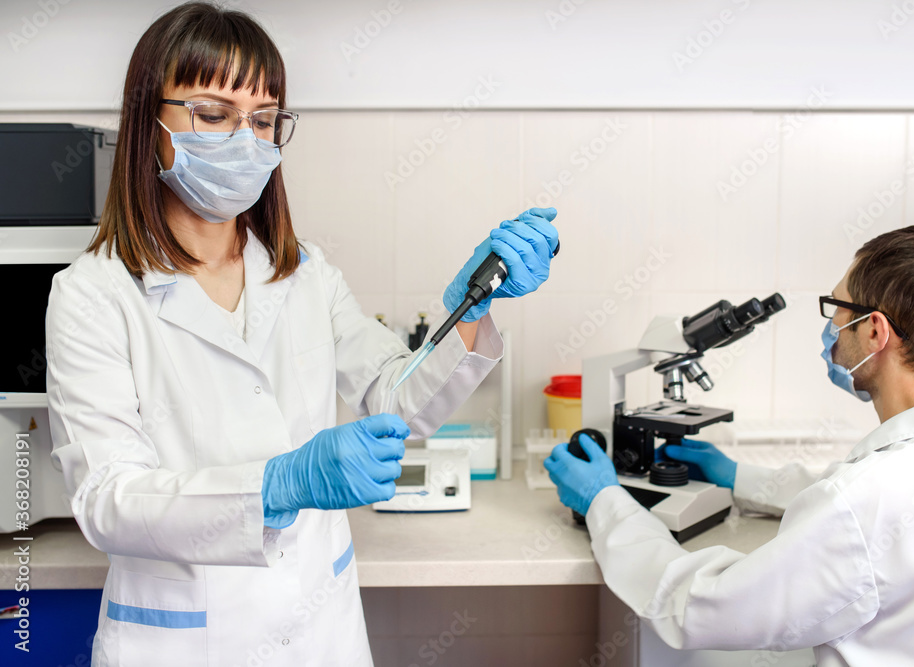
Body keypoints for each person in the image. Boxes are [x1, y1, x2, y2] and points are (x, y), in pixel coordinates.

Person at [44, 4, 558, 666]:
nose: (244, 139)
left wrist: (471, 306)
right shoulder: (93, 294)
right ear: (149, 121)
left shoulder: (305, 271)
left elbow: (395, 399)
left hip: (320, 634)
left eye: (262, 120)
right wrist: (276, 485)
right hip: (181, 643)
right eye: (212, 113)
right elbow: (106, 499)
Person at [546, 226, 914, 665]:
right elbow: (861, 512)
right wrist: (739, 476)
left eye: (836, 307)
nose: (832, 326)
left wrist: (604, 502)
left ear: (875, 332)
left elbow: (698, 607)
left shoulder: (863, 501)